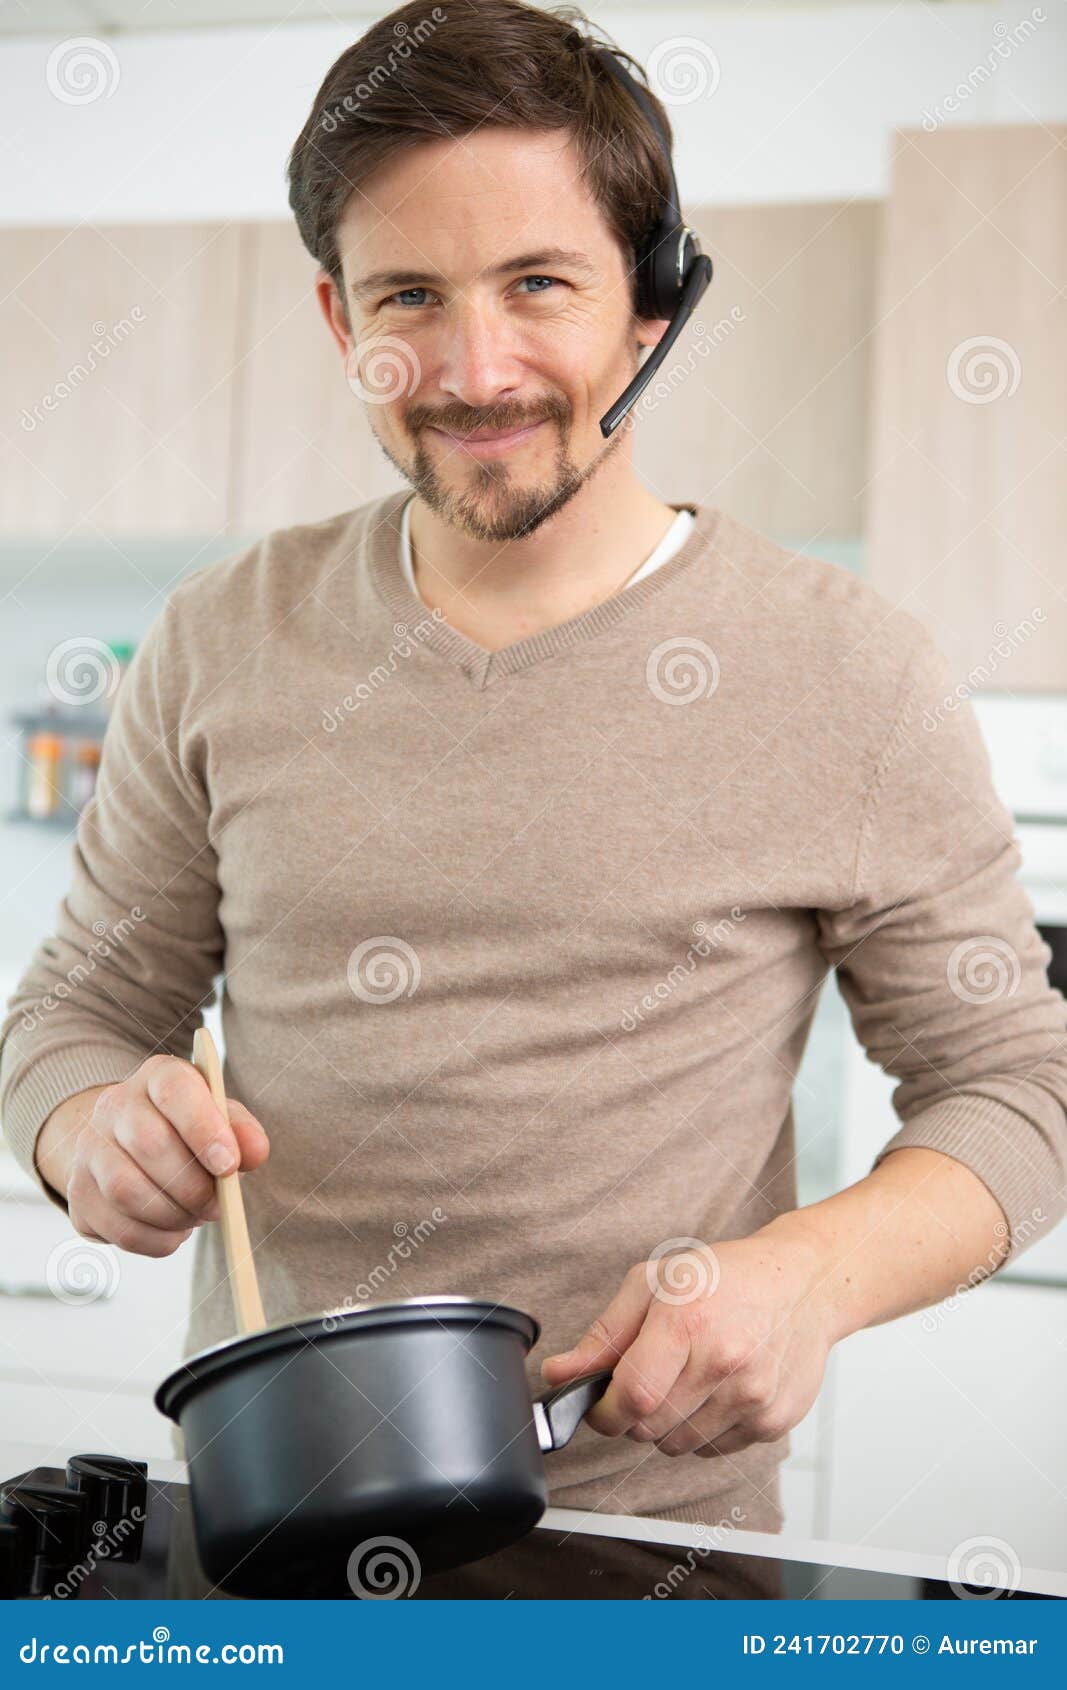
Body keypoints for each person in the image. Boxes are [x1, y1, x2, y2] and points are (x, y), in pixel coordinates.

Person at [2, 0, 1065, 1596]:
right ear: (337, 315)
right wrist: (84, 1123)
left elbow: (1021, 1083)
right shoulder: (221, 637)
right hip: (264, 1539)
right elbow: (76, 1011)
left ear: (654, 304)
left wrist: (814, 1273)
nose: (475, 369)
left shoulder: (847, 668)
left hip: (650, 1558)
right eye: (410, 296)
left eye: (540, 285)